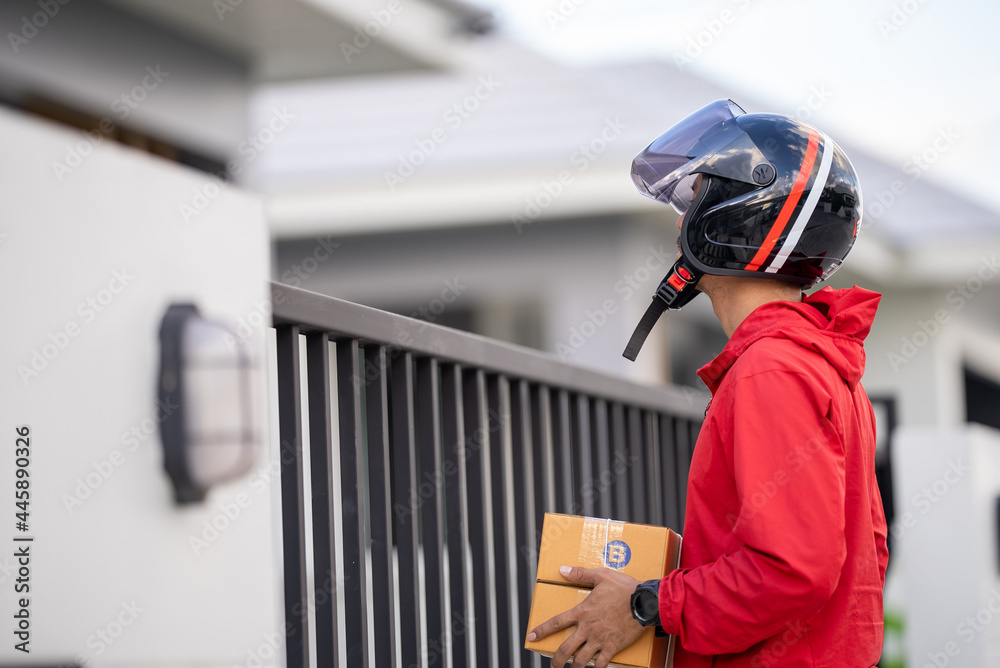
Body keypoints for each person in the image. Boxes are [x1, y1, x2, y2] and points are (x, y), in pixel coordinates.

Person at [528, 99, 888, 667]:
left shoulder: (772, 370)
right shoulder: (822, 366)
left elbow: (792, 570)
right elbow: (860, 555)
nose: (681, 222)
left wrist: (648, 606)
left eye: (695, 199)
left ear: (733, 218)